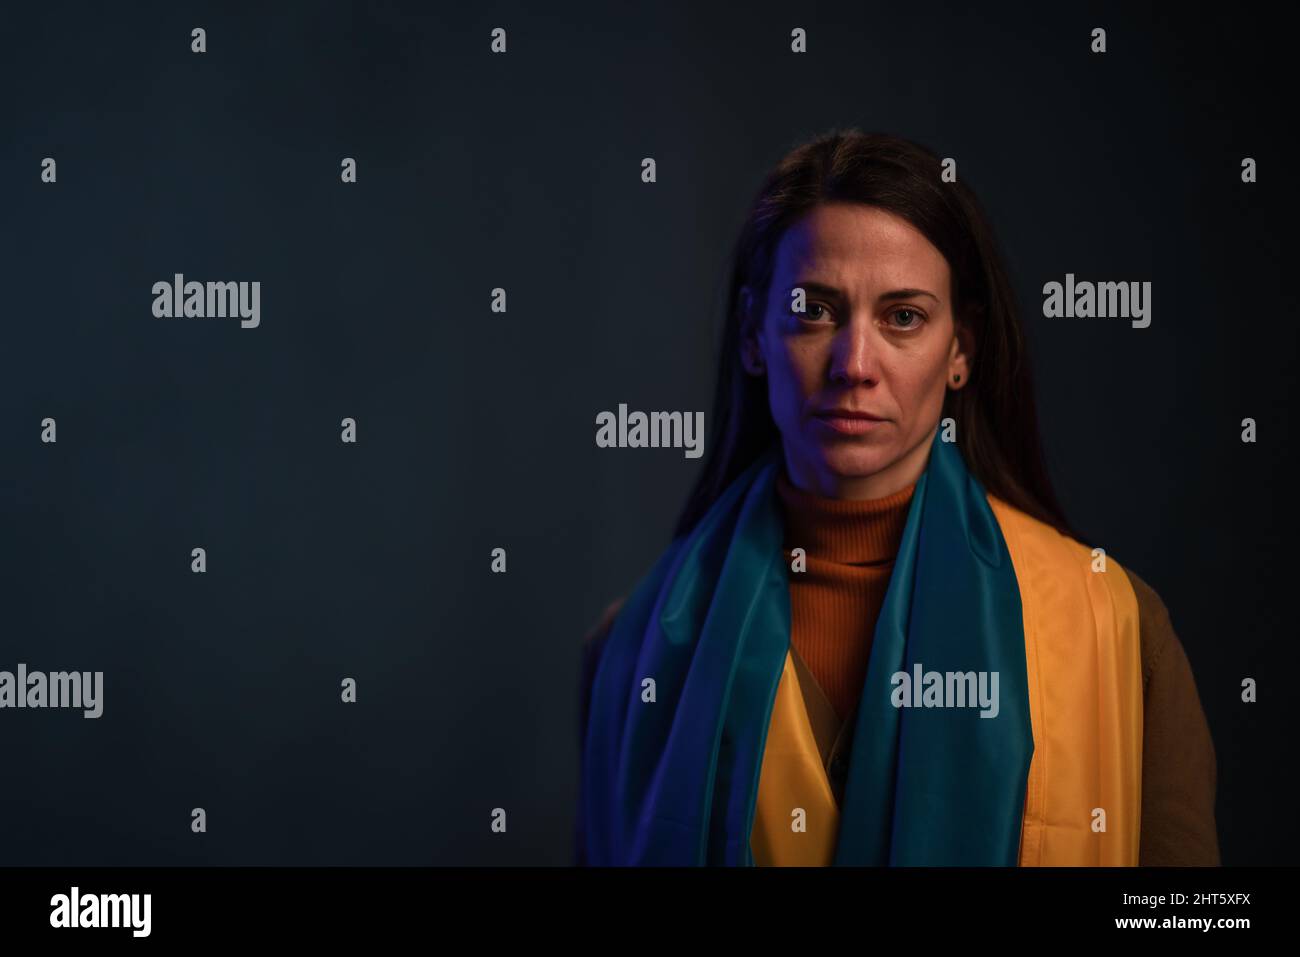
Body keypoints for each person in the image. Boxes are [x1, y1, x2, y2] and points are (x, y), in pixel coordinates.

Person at [575, 129, 1219, 866]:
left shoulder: (1116, 627)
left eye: (903, 317)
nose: (855, 364)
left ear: (961, 350)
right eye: (814, 310)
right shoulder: (630, 654)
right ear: (755, 333)